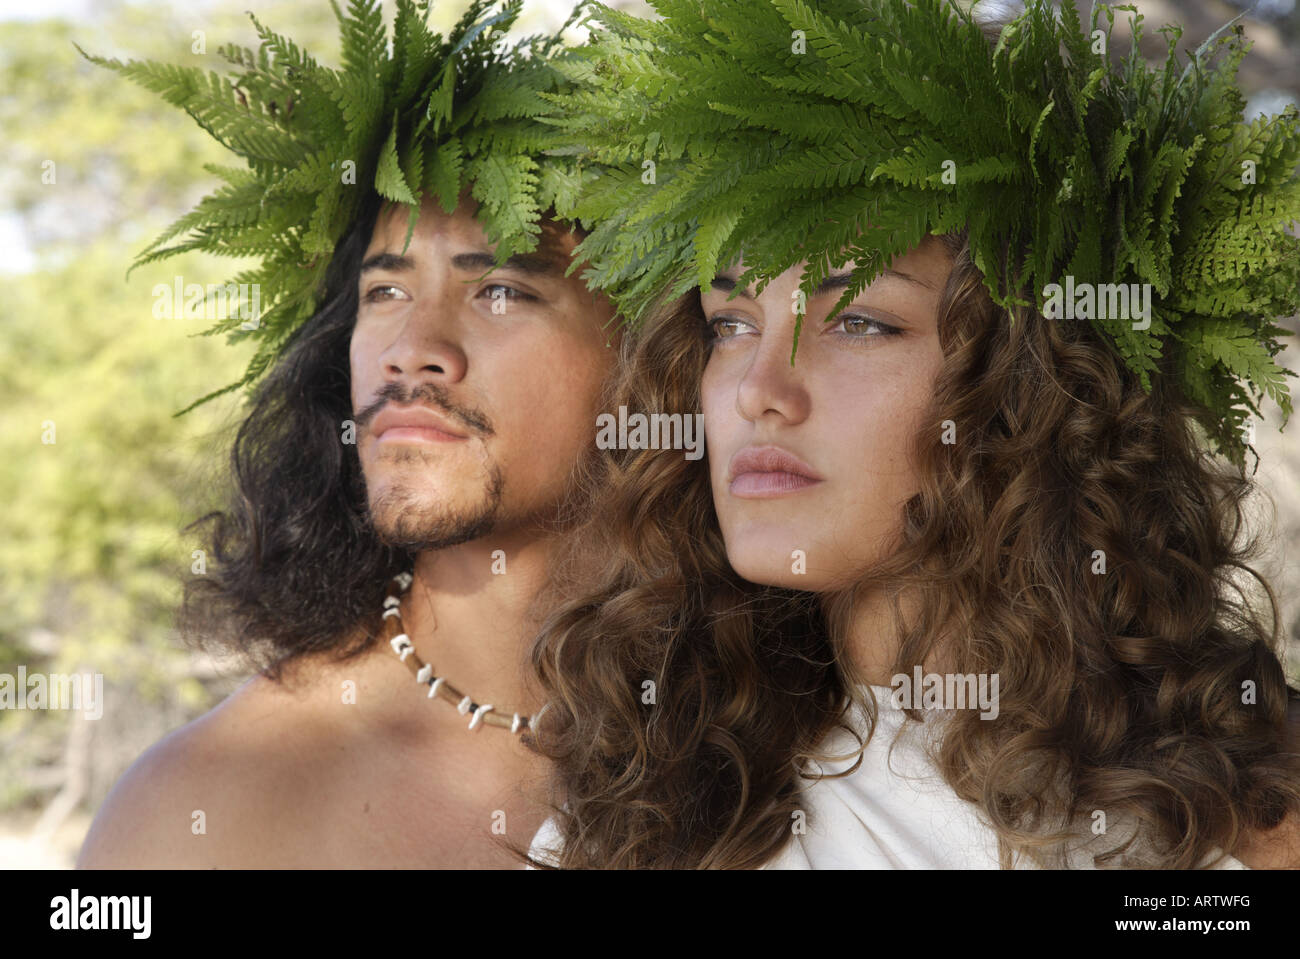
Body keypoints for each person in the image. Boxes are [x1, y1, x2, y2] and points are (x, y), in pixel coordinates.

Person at [525, 0, 1300, 868]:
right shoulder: (640, 820)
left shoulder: (1248, 799)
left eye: (858, 323)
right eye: (730, 323)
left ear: (1032, 384)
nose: (759, 393)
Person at [76, 0, 616, 868]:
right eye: (385, 292)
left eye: (501, 291)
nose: (414, 352)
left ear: (659, 348)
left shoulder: (795, 732)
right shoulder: (192, 813)